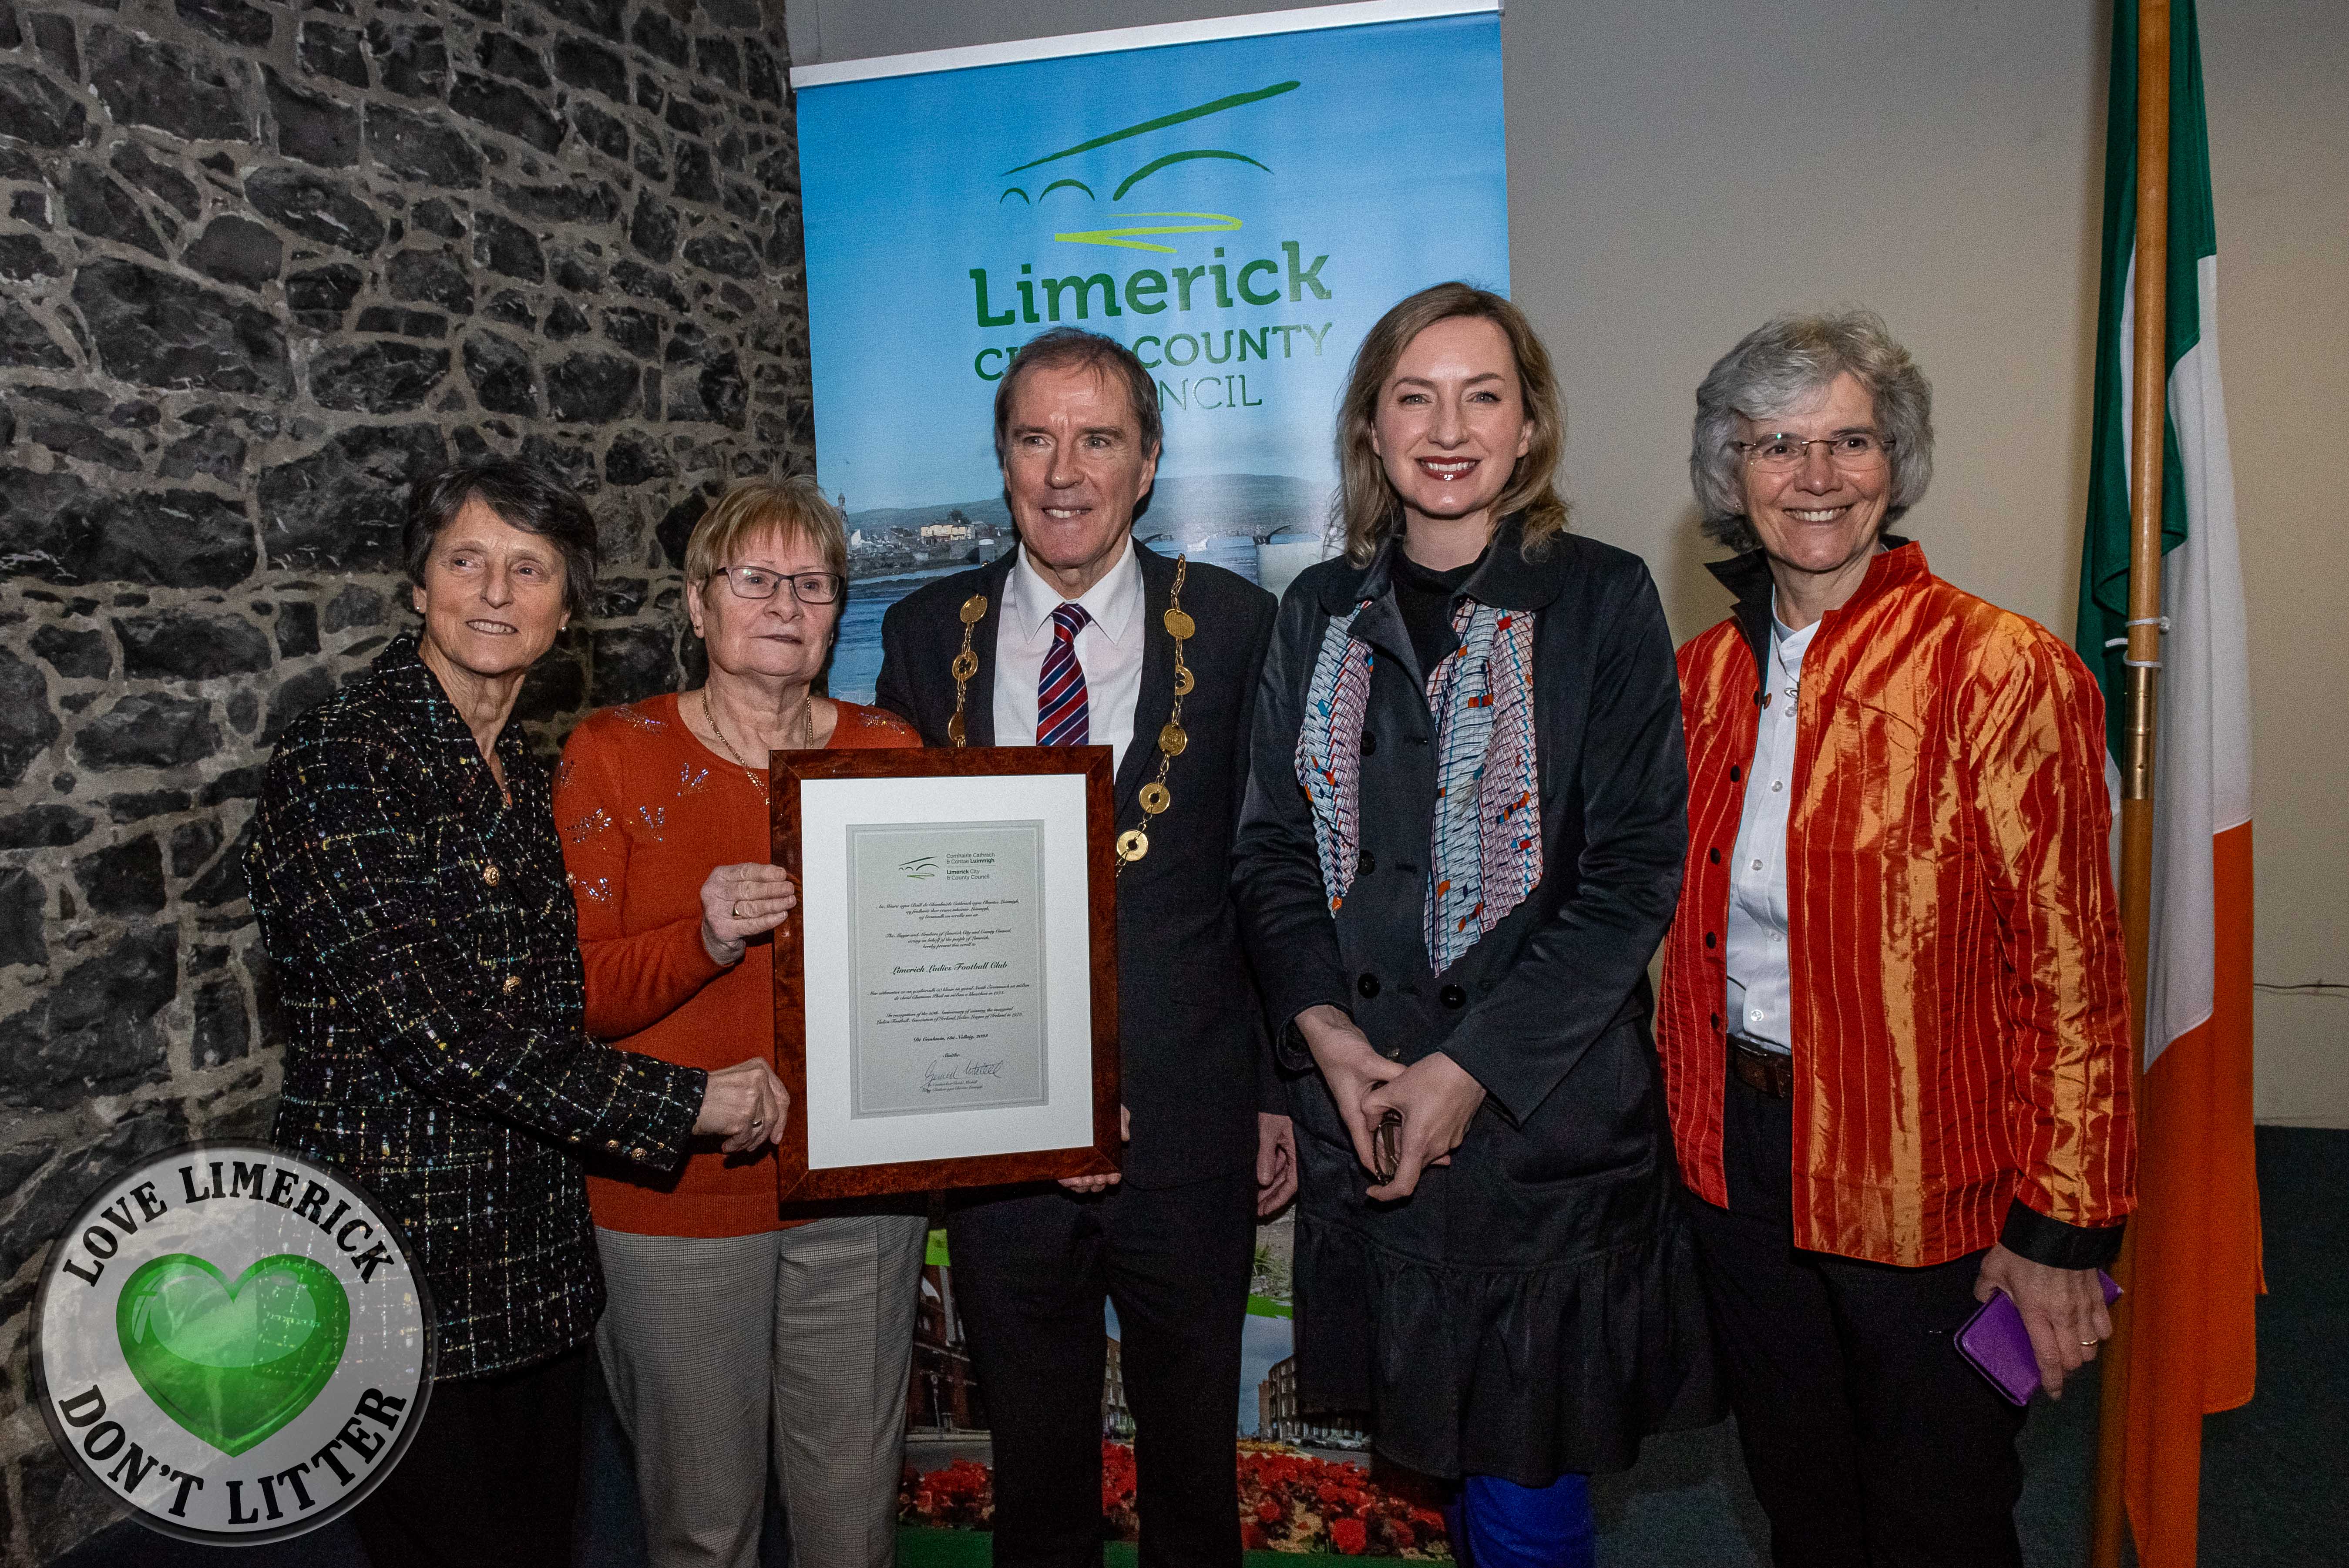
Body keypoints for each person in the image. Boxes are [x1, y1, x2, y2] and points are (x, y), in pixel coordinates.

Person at [1230, 282, 1713, 1568]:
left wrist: (1466, 1071)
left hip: (1532, 1122)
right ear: (1372, 429)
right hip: (1363, 1106)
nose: (1447, 427)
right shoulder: (1310, 609)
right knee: (1421, 1463)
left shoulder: (1601, 599)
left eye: (1480, 394)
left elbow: (1628, 875)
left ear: (1527, 424)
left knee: (1524, 1475)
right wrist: (1320, 1030)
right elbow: (1269, 847)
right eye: (1413, 396)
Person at [245, 459, 788, 1568]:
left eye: (529, 568)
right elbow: (440, 1032)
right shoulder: (339, 760)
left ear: (565, 605)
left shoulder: (523, 770)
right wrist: (683, 1098)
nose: (496, 592)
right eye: (467, 561)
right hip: (398, 1267)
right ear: (418, 586)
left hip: (533, 1269)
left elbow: (559, 1000)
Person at [1658, 310, 2137, 1567]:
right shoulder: (1695, 678)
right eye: (1775, 445)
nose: (1813, 476)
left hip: (1927, 1175)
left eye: (1848, 441)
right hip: (1734, 1163)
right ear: (1730, 471)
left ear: (1895, 460)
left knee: (1936, 1512)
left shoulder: (2003, 670)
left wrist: (2058, 1233)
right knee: (1797, 1492)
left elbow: (2075, 971)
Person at [874, 326, 1294, 1567]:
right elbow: (897, 886)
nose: (1063, 471)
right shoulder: (918, 630)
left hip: (1190, 1119)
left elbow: (1271, 872)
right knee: (1037, 1474)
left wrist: (1276, 1088)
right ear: (1002, 458)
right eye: (1034, 437)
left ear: (1147, 462)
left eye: (1096, 438)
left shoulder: (1237, 628)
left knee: (1190, 1472)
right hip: (996, 1137)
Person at [553, 477, 928, 1568]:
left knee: (852, 1524)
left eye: (811, 584)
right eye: (753, 579)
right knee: (703, 1525)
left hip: (859, 1197)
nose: (783, 604)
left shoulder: (886, 749)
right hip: (674, 1207)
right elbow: (570, 995)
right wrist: (704, 935)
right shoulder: (610, 754)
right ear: (696, 602)